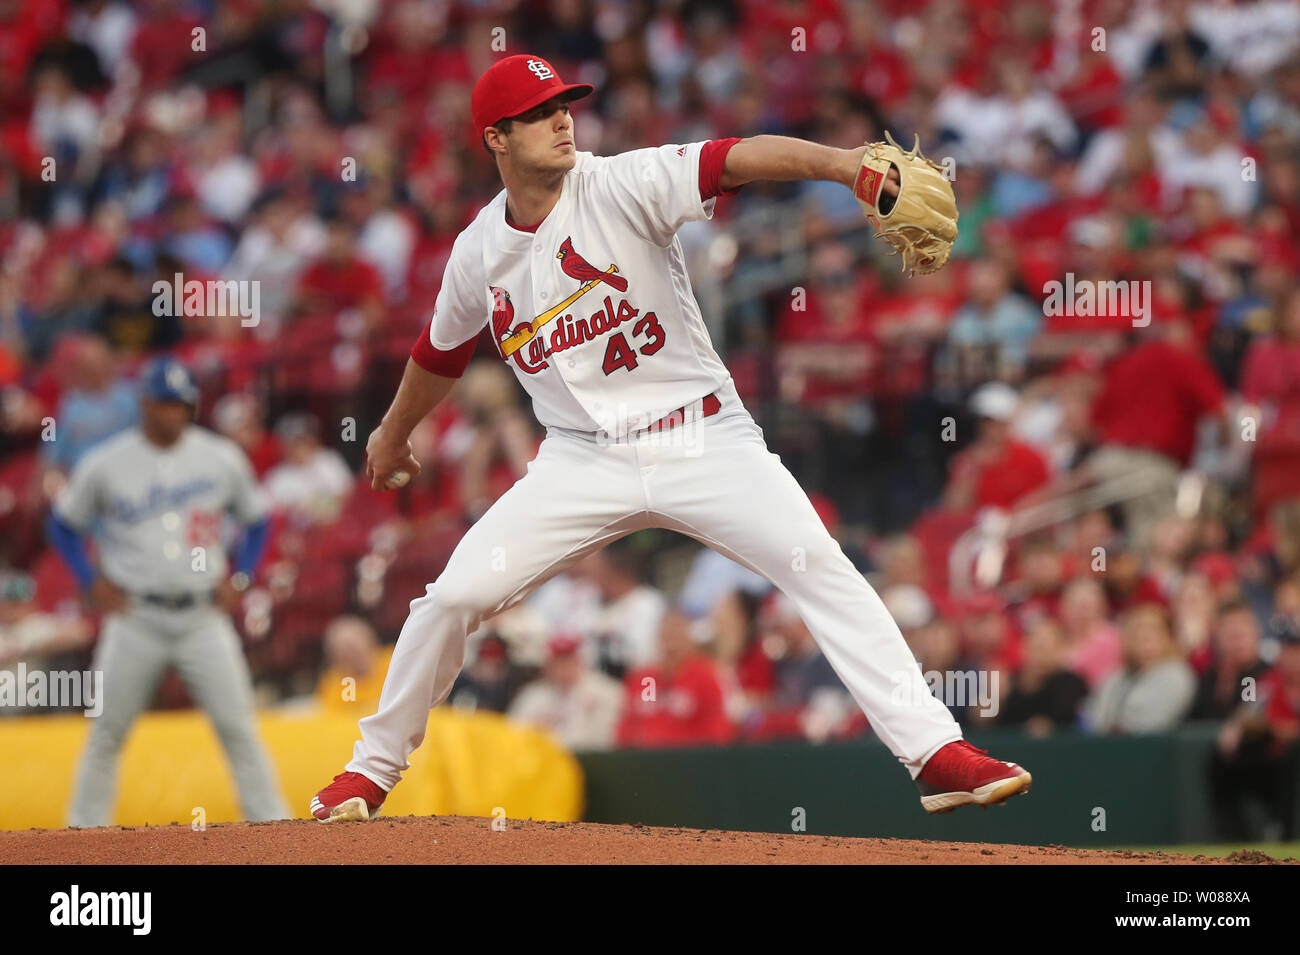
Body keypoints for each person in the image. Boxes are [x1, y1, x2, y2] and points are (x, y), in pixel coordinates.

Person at [310, 54, 1030, 823]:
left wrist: (845, 165)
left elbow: (735, 158)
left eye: (566, 105)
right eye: (540, 112)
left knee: (818, 563)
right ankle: (369, 771)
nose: (563, 120)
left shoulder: (619, 181)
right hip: (579, 459)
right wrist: (390, 434)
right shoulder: (478, 252)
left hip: (701, 436)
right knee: (450, 597)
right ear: (496, 138)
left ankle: (934, 753)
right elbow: (438, 352)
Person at [47, 357, 287, 827]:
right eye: (166, 404)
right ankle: (80, 837)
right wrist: (87, 579)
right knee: (107, 733)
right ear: (145, 404)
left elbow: (259, 520)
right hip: (136, 616)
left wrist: (242, 576)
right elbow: (62, 523)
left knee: (238, 727)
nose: (175, 413)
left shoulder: (220, 457)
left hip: (202, 616)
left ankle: (274, 829)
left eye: (183, 404)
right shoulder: (107, 463)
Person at [507, 633, 624, 750]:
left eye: (568, 660)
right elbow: (515, 733)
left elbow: (611, 736)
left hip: (591, 759)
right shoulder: (532, 695)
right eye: (558, 661)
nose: (563, 667)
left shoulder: (607, 691)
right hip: (545, 760)